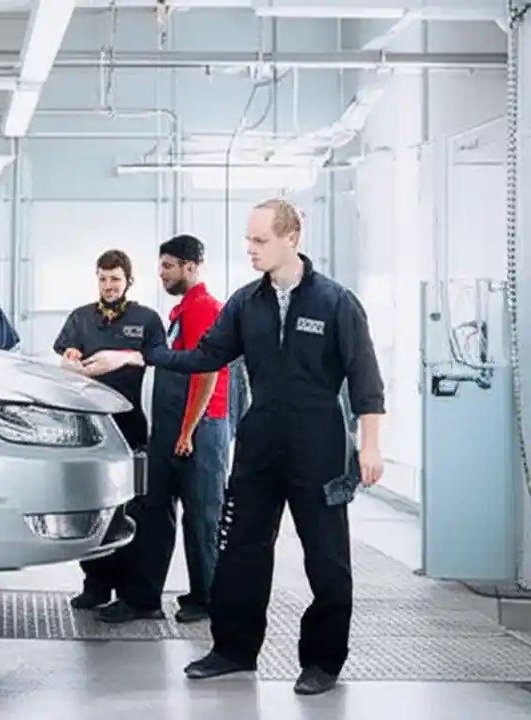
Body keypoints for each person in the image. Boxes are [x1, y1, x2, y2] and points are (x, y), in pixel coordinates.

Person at [82, 198, 385, 696]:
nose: (250, 249)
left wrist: (369, 446)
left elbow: (366, 380)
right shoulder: (247, 303)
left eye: (260, 240)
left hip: (320, 445)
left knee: (326, 558)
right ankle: (233, 649)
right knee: (240, 549)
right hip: (259, 441)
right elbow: (204, 356)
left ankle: (323, 661)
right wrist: (137, 353)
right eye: (247, 240)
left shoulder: (336, 302)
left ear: (292, 238)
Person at [97, 235, 229, 625]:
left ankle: (207, 598)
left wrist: (187, 431)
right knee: (154, 511)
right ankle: (143, 598)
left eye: (169, 266)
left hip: (198, 431)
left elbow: (208, 370)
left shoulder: (203, 308)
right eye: (161, 266)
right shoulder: (179, 313)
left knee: (202, 517)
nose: (162, 274)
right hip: (170, 432)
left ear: (191, 266)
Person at [54, 249, 165, 611]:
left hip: (133, 431)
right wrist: (70, 357)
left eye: (115, 278)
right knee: (95, 507)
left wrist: (128, 356)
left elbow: (160, 358)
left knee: (135, 512)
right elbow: (67, 350)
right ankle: (96, 586)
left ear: (128, 280)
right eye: (103, 278)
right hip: (91, 432)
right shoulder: (81, 318)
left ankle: (135, 594)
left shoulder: (146, 320)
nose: (109, 285)